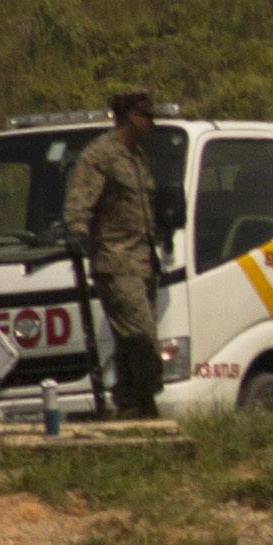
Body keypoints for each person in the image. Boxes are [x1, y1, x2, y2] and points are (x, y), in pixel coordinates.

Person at [59, 92, 164, 417]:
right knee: (140, 334)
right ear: (131, 116)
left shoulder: (138, 156)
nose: (152, 123)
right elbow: (80, 199)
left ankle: (133, 404)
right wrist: (77, 230)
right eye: (147, 116)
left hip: (143, 260)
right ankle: (145, 396)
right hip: (116, 261)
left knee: (130, 340)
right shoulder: (100, 155)